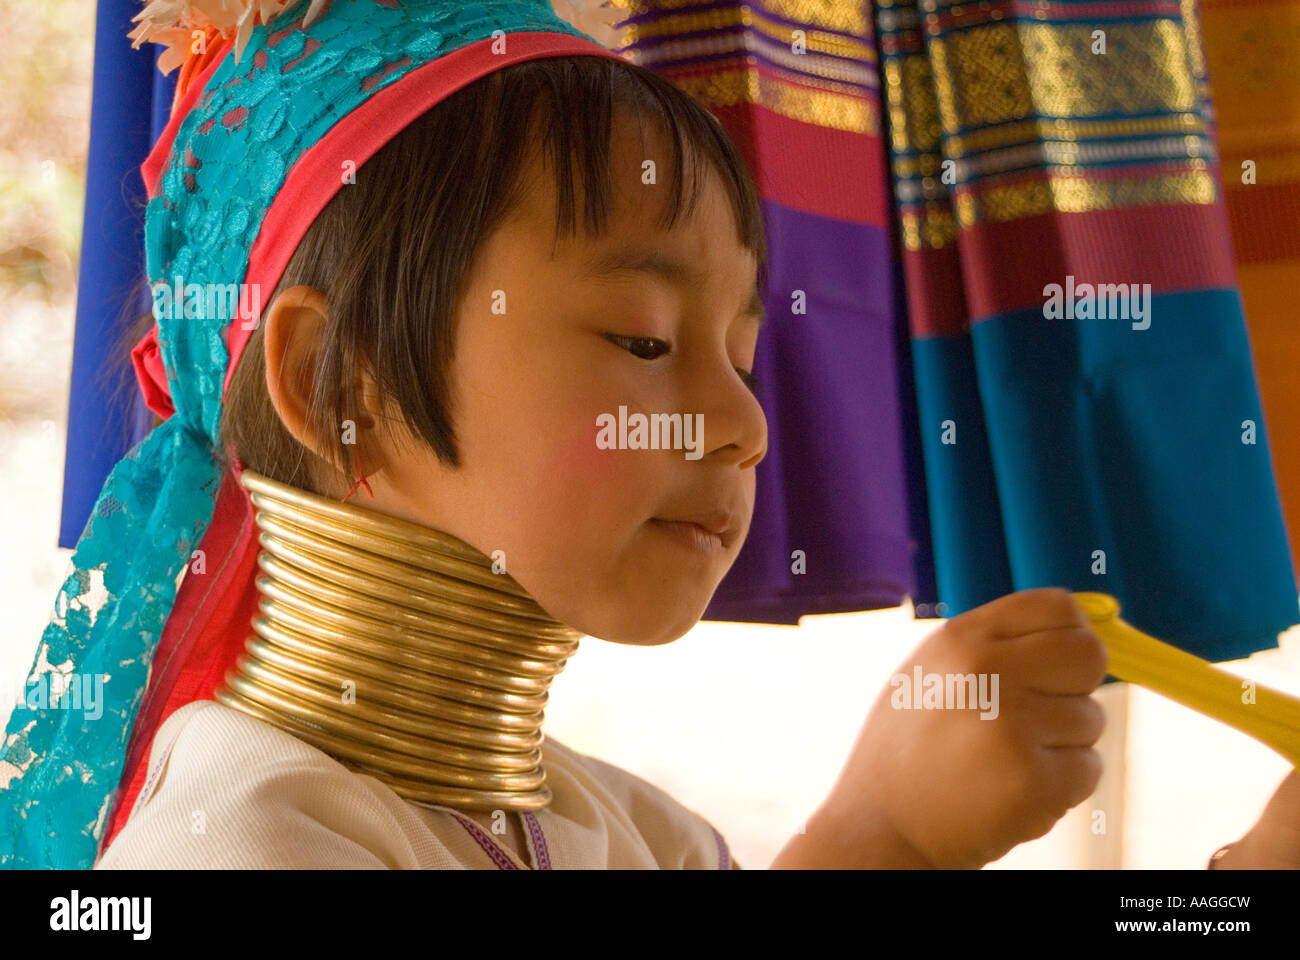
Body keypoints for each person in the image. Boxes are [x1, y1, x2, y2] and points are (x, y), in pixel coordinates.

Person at [8, 0, 1297, 870]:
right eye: (639, 340)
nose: (742, 425)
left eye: (739, 352)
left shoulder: (619, 832)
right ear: (329, 376)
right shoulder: (244, 844)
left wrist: (882, 829)